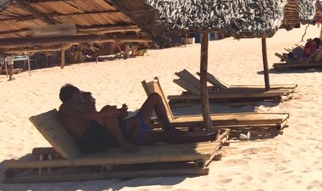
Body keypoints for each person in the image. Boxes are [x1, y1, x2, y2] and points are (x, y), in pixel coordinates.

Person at [58, 84, 218, 154]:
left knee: (155, 101)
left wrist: (119, 114)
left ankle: (201, 137)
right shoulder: (66, 108)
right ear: (73, 94)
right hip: (91, 142)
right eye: (79, 93)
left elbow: (98, 119)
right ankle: (123, 143)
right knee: (107, 110)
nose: (82, 97)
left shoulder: (76, 109)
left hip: (103, 135)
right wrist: (109, 113)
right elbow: (97, 116)